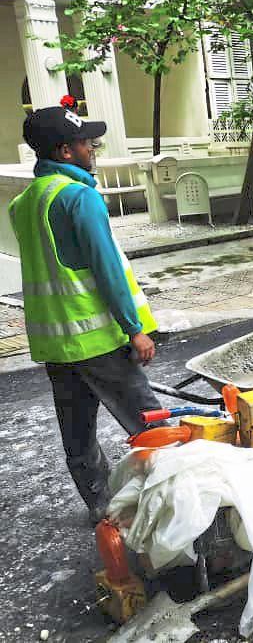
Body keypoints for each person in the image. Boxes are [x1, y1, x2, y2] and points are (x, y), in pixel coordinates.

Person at [11, 101, 160, 523]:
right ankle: (171, 505)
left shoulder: (25, 203)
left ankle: (102, 509)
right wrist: (135, 329)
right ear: (63, 152)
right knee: (151, 424)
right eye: (83, 142)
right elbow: (105, 267)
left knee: (77, 434)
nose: (91, 147)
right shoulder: (79, 197)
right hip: (95, 339)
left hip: (54, 343)